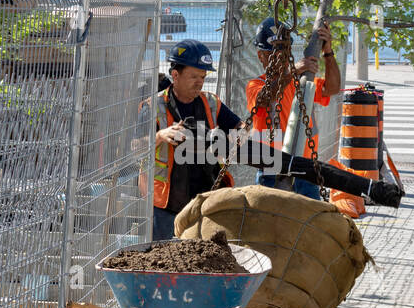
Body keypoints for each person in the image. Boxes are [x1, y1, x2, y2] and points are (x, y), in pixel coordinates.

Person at [145, 39, 243, 241]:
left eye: (203, 76)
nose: (200, 82)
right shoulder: (152, 107)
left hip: (207, 200)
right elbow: (132, 147)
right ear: (175, 75)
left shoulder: (212, 102)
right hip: (167, 205)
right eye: (194, 76)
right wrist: (160, 136)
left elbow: (240, 127)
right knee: (164, 258)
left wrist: (237, 136)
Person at [245, 18, 342, 200]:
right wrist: (294, 71)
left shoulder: (301, 81)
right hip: (272, 169)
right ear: (261, 56)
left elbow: (333, 88)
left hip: (304, 168)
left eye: (284, 52)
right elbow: (264, 99)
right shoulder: (255, 84)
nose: (280, 59)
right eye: (274, 54)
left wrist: (328, 52)